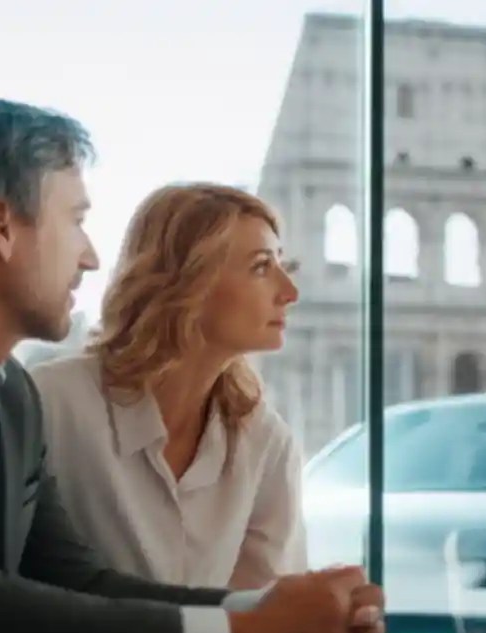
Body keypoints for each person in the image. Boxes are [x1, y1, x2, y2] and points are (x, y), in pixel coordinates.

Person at [0, 95, 383, 633]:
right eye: (76, 220)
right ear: (1, 226)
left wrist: (264, 610)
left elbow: (78, 582)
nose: (91, 257)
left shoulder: (9, 395)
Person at [30, 183, 306, 590]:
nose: (290, 292)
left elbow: (268, 620)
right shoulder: (49, 404)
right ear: (188, 281)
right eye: (261, 267)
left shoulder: (265, 441)